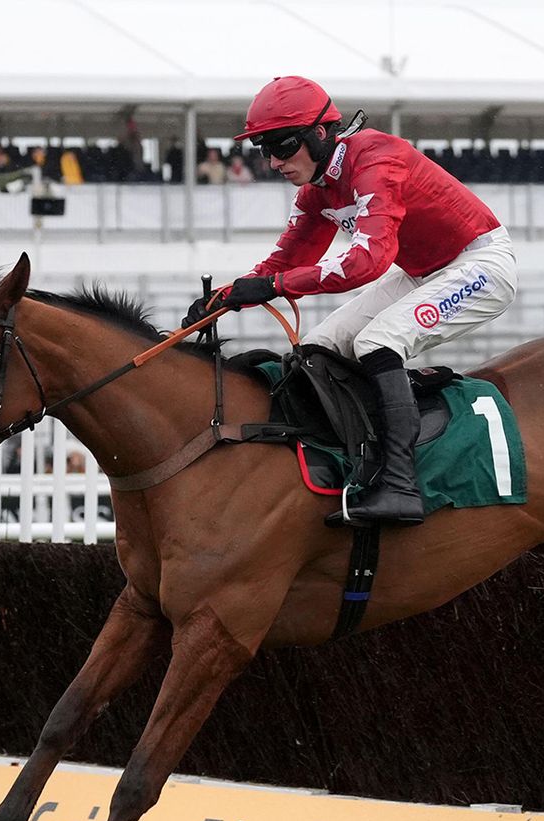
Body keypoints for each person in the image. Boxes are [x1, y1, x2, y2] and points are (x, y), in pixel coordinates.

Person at [183, 76, 517, 527]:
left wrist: (273, 287)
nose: (273, 161)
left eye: (281, 146)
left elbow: (366, 262)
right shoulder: (317, 189)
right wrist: (224, 298)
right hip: (422, 273)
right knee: (319, 348)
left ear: (320, 134)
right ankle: (360, 466)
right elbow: (287, 260)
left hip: (481, 265)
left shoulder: (378, 160)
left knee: (378, 342)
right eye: (262, 148)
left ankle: (400, 485)